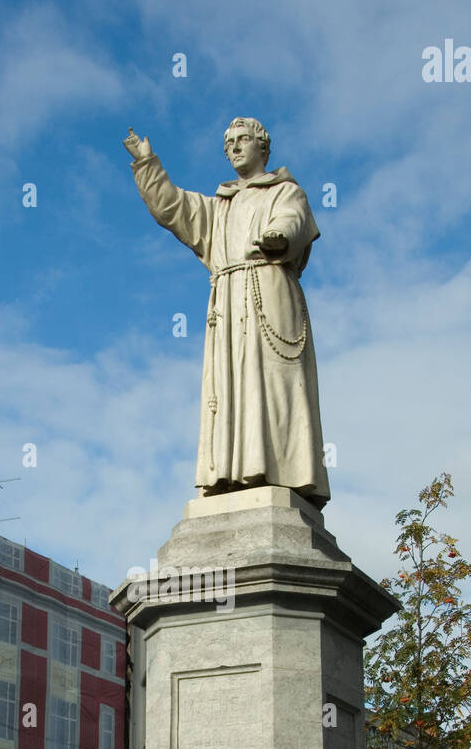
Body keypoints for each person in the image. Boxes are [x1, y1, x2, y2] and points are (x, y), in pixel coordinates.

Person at [124, 118, 331, 509]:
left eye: (243, 140)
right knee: (230, 388)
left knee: (274, 386)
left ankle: (281, 472)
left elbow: (295, 221)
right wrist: (147, 164)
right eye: (229, 143)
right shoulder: (219, 208)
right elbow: (171, 206)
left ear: (263, 148)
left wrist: (279, 237)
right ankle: (231, 474)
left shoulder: (287, 192)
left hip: (270, 293)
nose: (235, 147)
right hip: (227, 302)